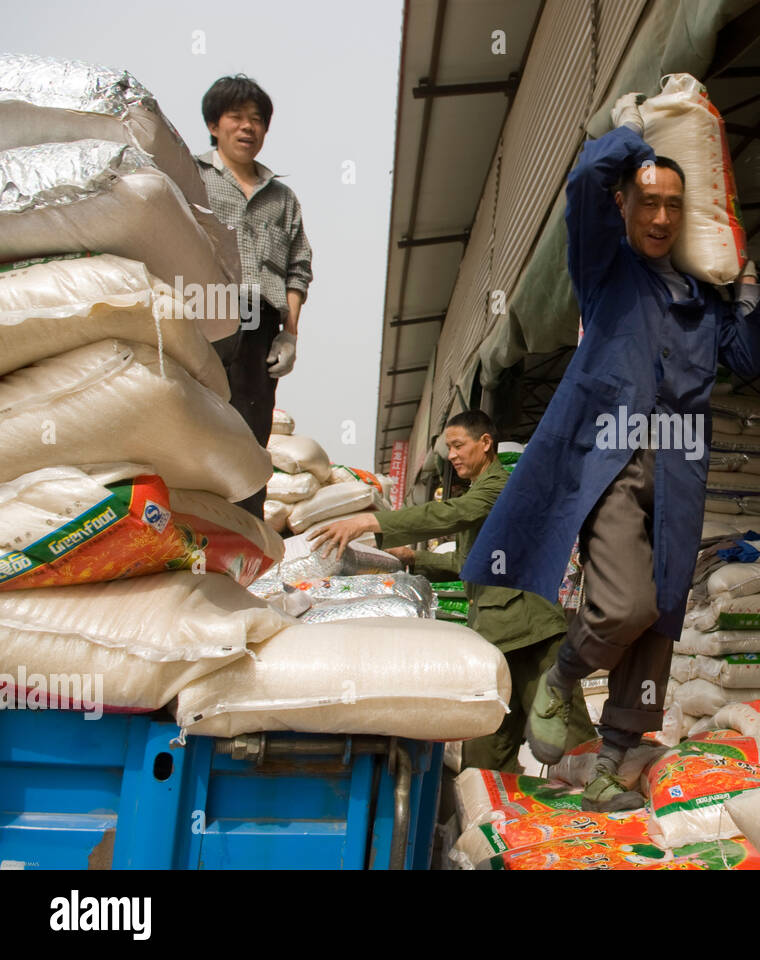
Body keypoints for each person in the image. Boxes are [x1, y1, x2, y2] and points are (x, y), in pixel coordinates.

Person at [461, 93, 760, 812]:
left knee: (661, 616)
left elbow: (748, 357)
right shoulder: (607, 272)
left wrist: (748, 278)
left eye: (673, 206)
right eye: (648, 202)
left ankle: (616, 760)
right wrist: (635, 139)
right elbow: (581, 185)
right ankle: (562, 677)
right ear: (628, 207)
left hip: (683, 462)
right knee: (623, 603)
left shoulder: (704, 295)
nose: (661, 218)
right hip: (615, 456)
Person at [307, 410, 596, 772]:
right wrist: (413, 557)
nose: (453, 455)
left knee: (572, 743)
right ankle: (495, 821)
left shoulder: (501, 487)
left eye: (459, 445)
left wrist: (372, 520)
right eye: (449, 448)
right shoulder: (480, 491)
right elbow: (465, 563)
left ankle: (603, 813)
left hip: (532, 632)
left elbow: (449, 515)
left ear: (485, 443)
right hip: (497, 635)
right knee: (484, 752)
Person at [196, 75, 312, 517]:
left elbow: (298, 268)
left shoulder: (283, 198)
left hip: (259, 319)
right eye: (236, 117)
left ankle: (242, 540)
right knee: (198, 421)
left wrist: (290, 334)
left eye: (257, 120)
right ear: (213, 124)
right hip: (204, 307)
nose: (248, 128)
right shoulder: (191, 177)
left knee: (249, 432)